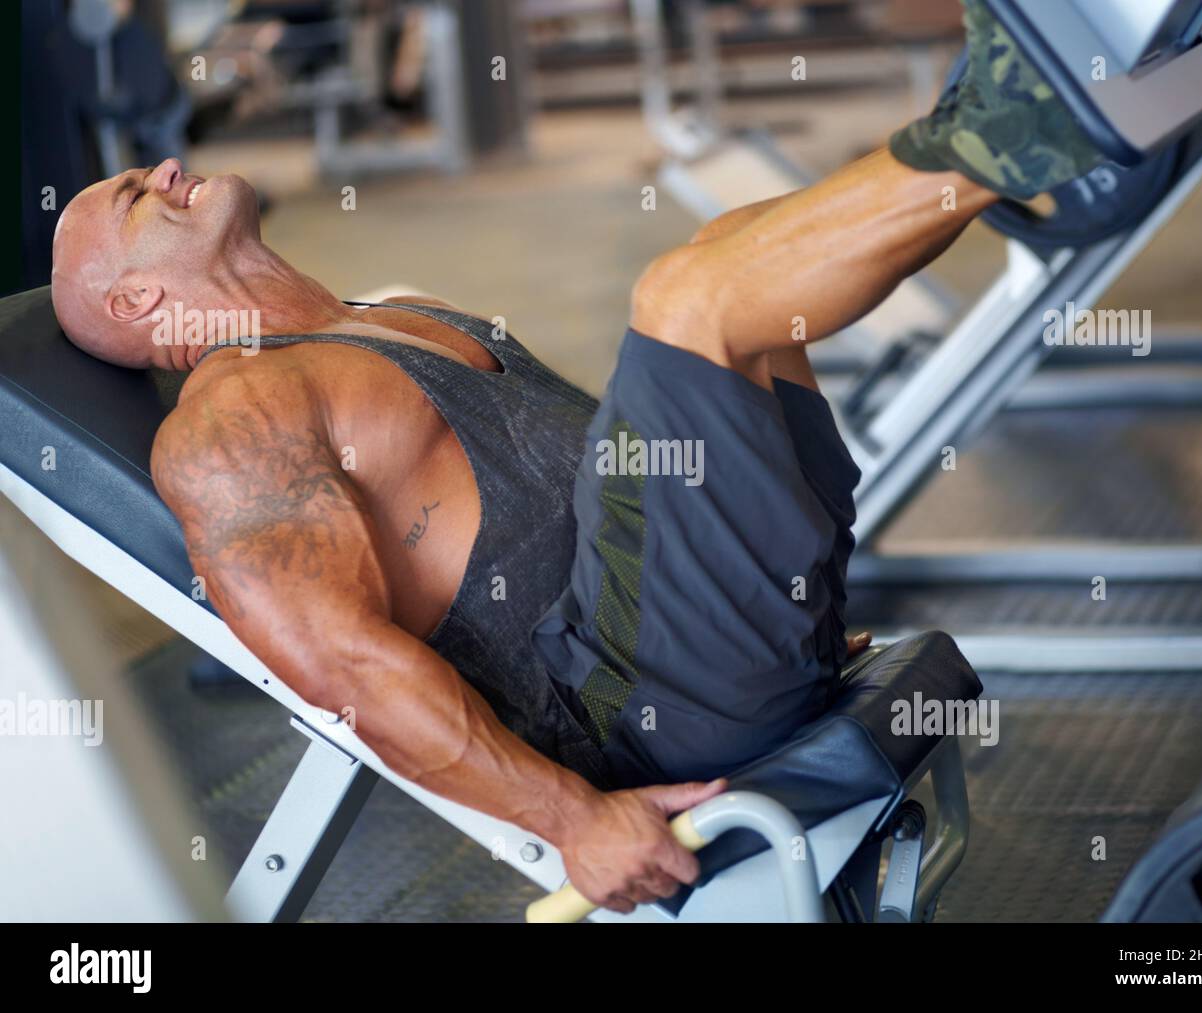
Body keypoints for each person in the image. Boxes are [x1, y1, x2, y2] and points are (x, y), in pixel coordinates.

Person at [49, 0, 1101, 915]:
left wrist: (738, 601)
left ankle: (1020, 144)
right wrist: (572, 821)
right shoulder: (230, 419)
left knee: (735, 242)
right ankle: (1020, 128)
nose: (170, 165)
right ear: (139, 301)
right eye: (140, 194)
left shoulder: (378, 316)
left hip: (698, 644)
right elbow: (346, 668)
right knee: (687, 301)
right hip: (633, 717)